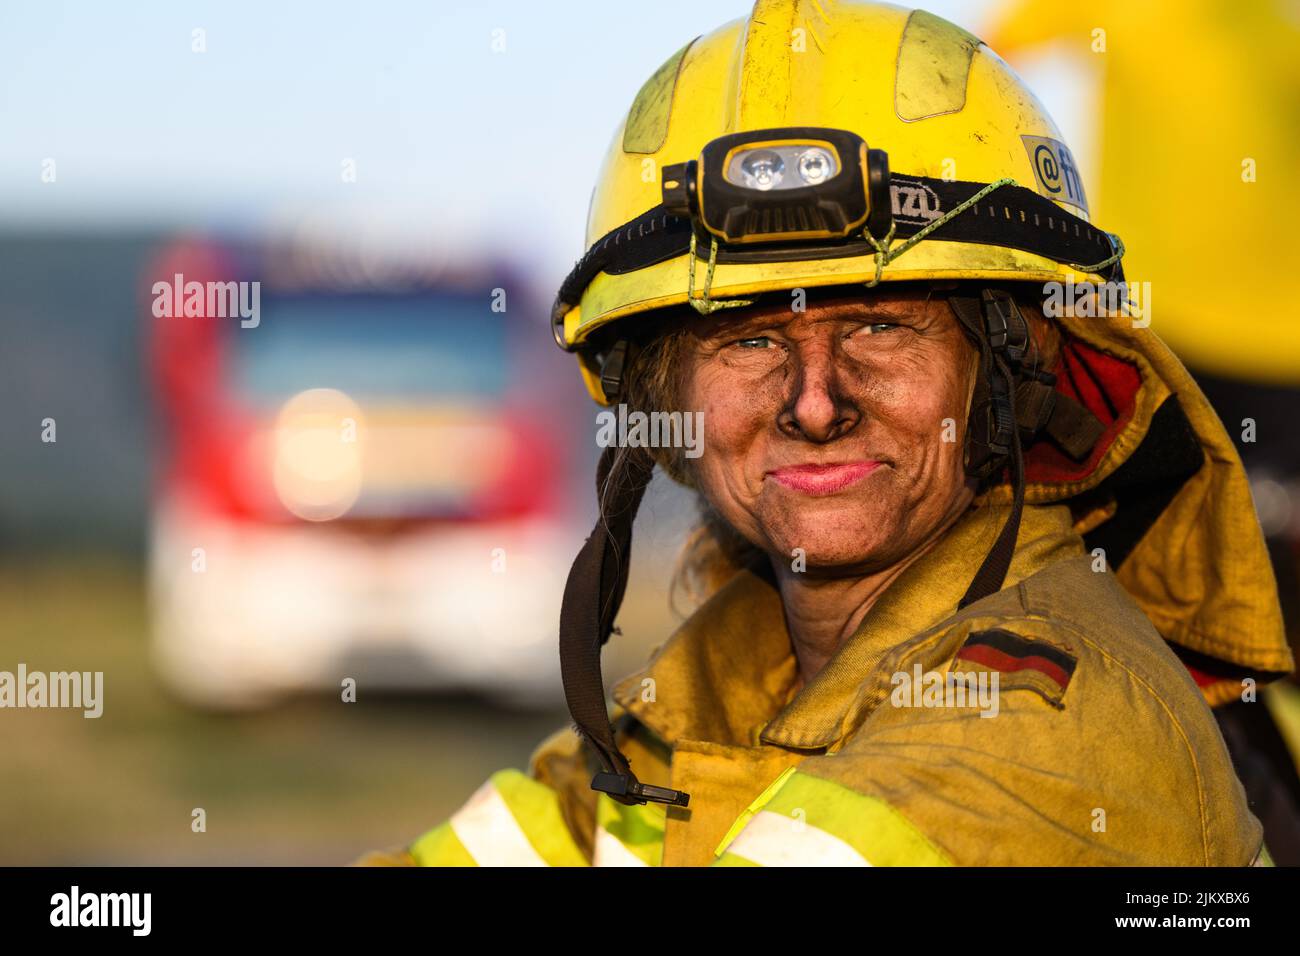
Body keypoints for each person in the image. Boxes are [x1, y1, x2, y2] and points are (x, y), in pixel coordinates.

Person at [362, 0, 1293, 866]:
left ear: (1011, 370)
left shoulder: (1057, 725)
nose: (814, 404)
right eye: (751, 337)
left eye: (880, 326)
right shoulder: (697, 702)